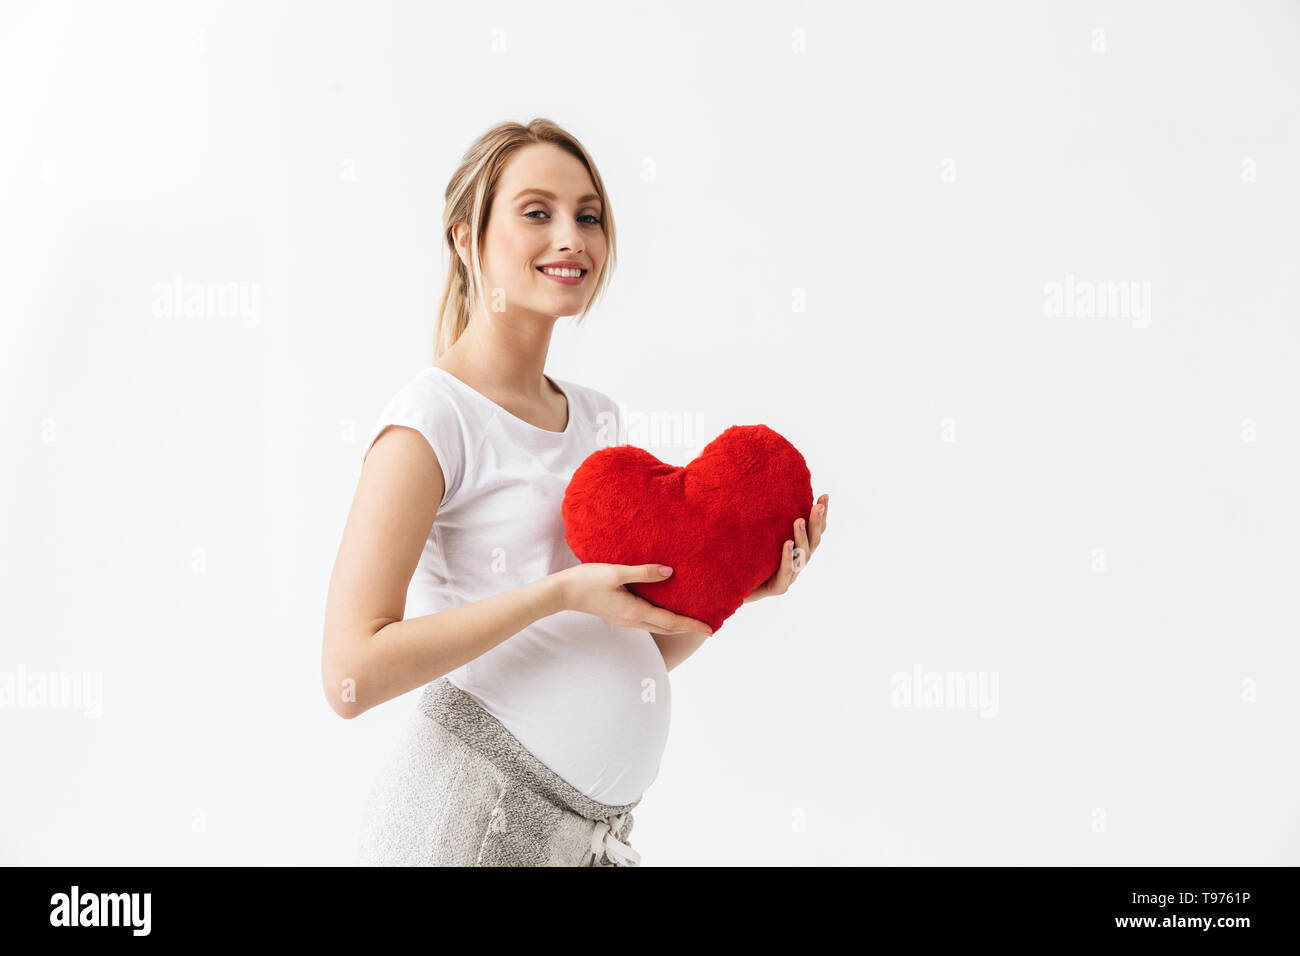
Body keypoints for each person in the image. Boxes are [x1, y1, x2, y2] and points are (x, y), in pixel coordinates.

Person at [322, 118, 830, 866]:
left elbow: (615, 642)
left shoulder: (596, 417)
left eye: (588, 215)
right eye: (537, 212)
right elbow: (349, 676)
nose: (572, 237)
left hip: (585, 842)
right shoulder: (432, 422)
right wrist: (554, 595)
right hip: (466, 827)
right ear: (466, 240)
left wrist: (731, 589)